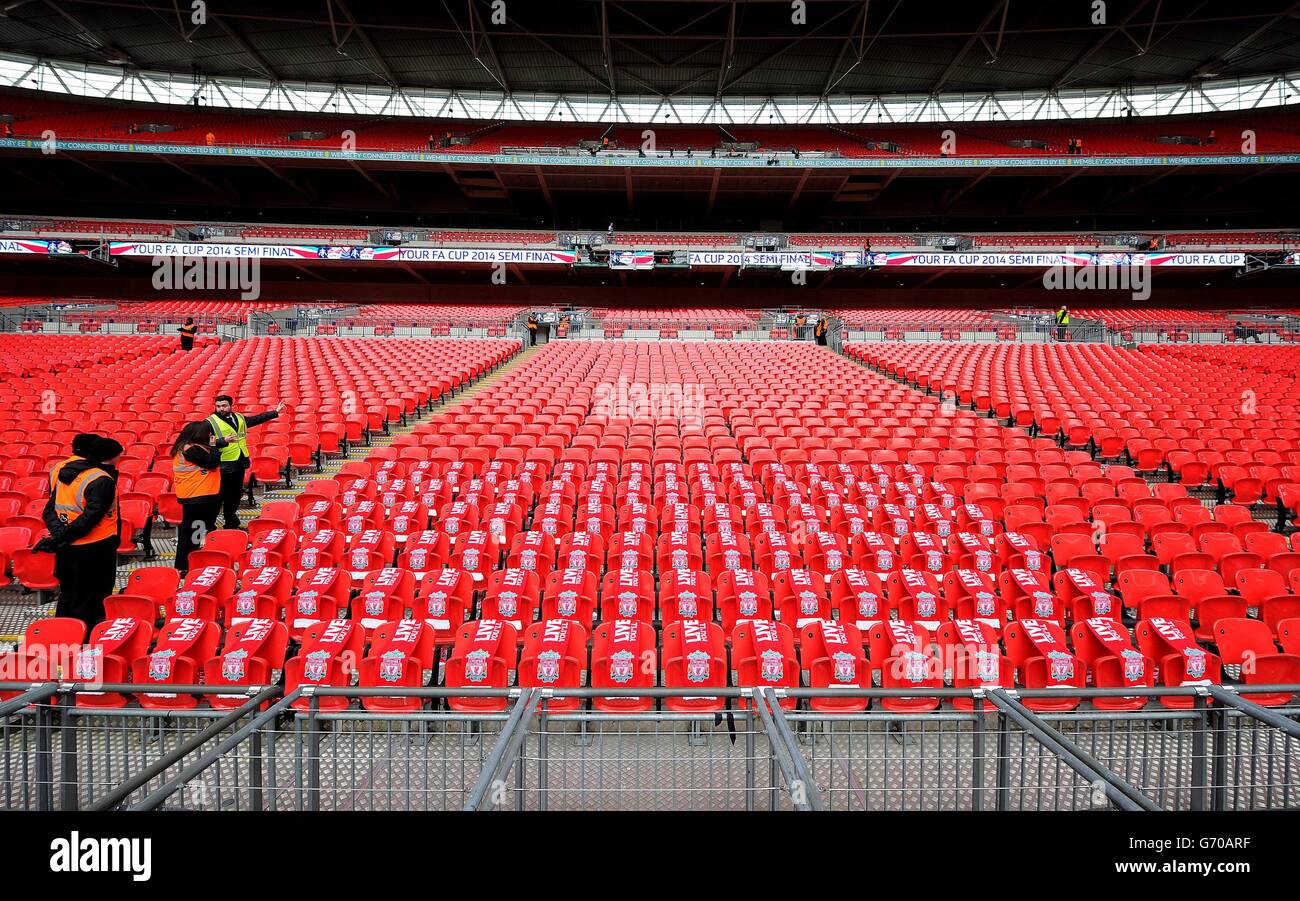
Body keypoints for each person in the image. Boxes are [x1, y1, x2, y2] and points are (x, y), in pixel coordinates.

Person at [35, 435, 123, 629]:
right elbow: (89, 520)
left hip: (68, 546)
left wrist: (59, 536)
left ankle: (63, 635)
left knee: (68, 594)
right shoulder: (100, 479)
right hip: (95, 547)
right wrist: (61, 536)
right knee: (91, 598)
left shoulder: (62, 472)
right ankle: (84, 639)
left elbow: (51, 509)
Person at [208, 395, 283, 529]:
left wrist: (275, 412)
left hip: (239, 462)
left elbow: (256, 419)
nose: (221, 409)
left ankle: (231, 523)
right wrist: (222, 441)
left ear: (231, 406)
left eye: (224, 406)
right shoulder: (210, 422)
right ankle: (210, 525)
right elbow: (205, 442)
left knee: (235, 495)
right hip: (223, 464)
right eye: (218, 406)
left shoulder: (239, 417)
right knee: (218, 497)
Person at [171, 421, 222, 573]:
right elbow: (212, 463)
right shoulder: (191, 449)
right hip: (198, 496)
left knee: (194, 530)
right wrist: (214, 446)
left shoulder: (187, 447)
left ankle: (188, 563)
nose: (210, 436)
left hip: (195, 495)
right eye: (208, 433)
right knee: (193, 531)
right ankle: (185, 565)